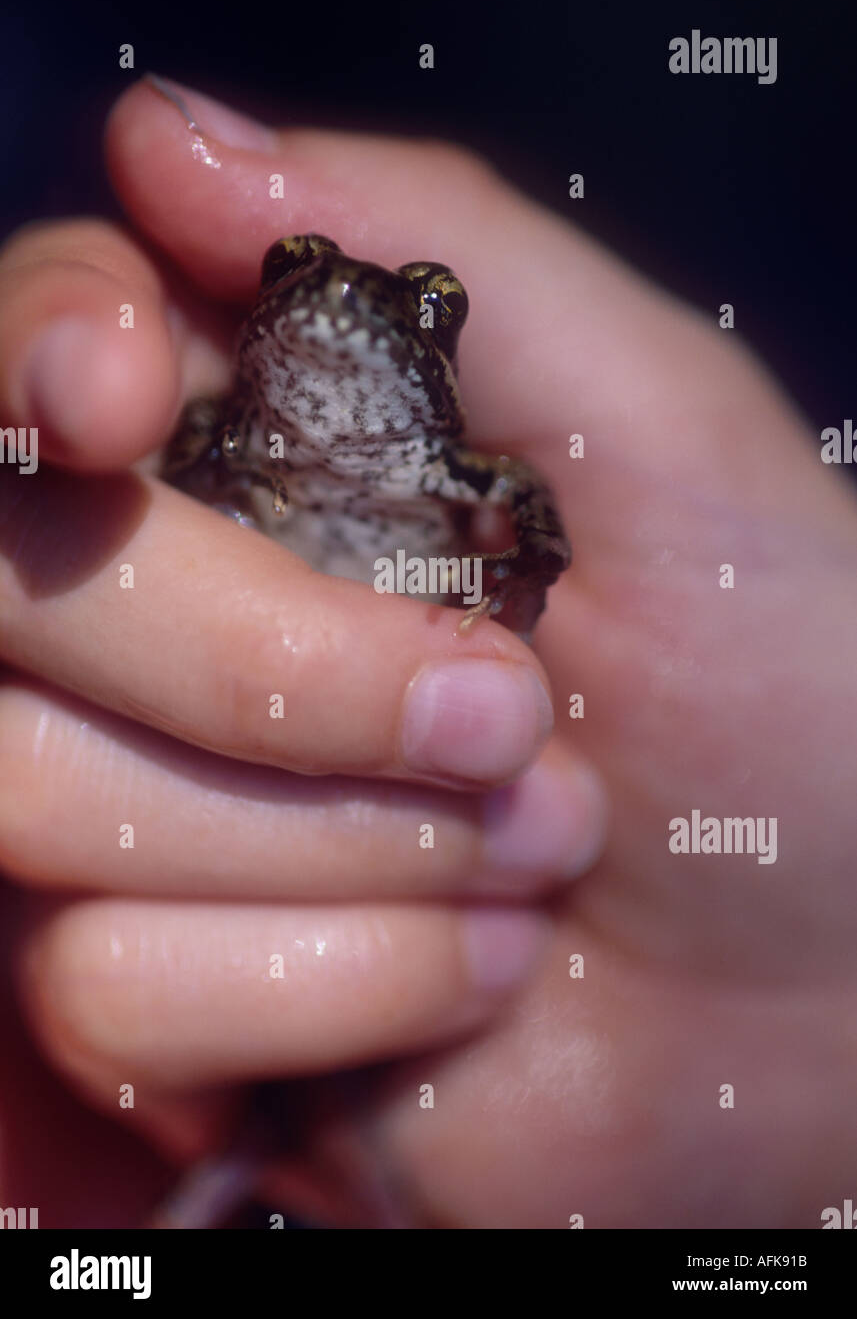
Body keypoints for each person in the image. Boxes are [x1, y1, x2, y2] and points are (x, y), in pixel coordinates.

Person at [0, 78, 853, 1228]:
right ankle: (265, 1150)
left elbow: (523, 498)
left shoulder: (462, 476)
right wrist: (97, 507)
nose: (339, 297)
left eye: (422, 305)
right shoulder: (223, 440)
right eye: (290, 267)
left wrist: (527, 572)